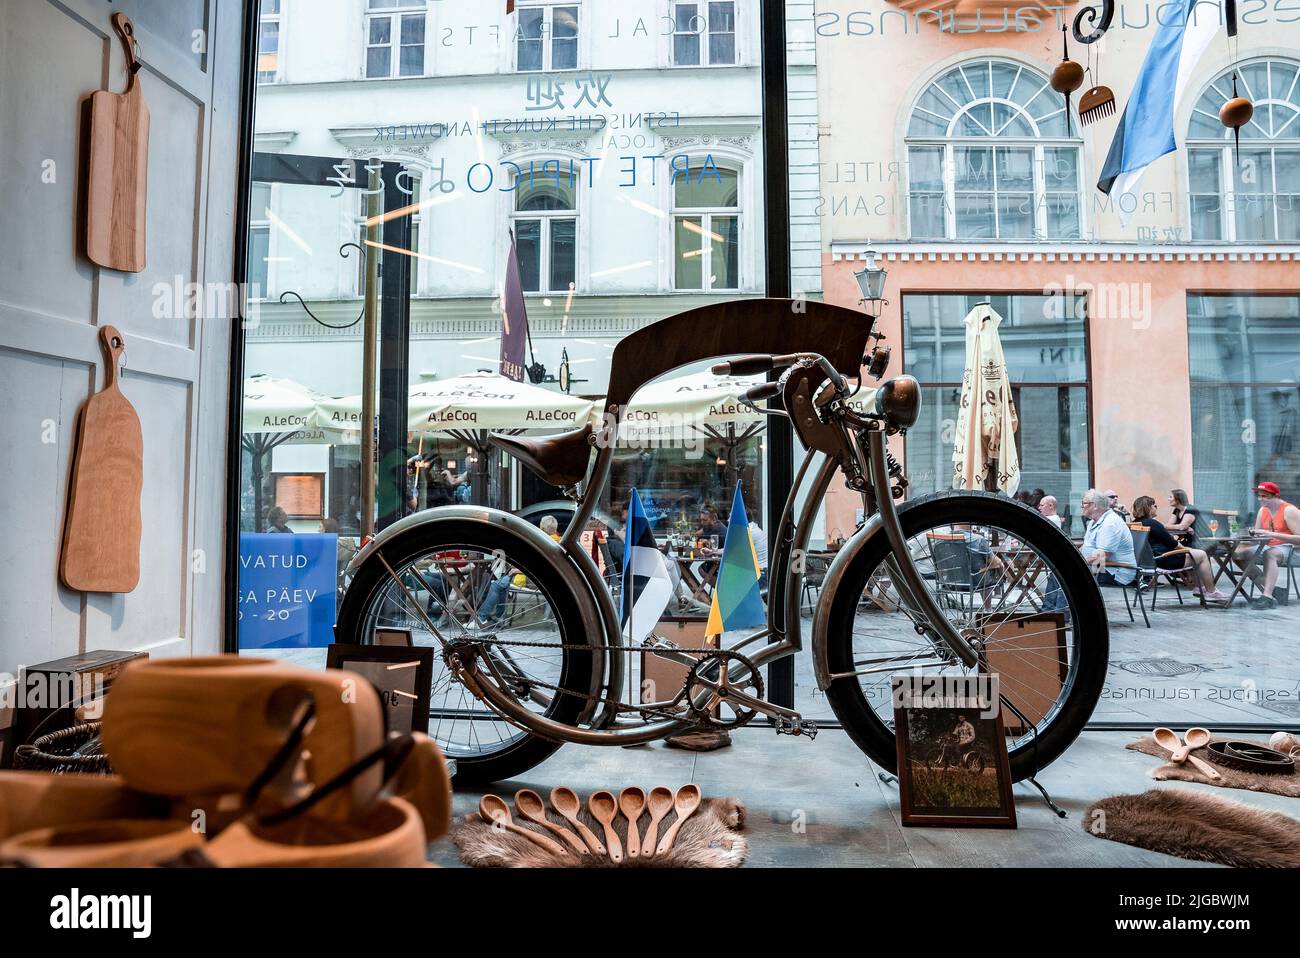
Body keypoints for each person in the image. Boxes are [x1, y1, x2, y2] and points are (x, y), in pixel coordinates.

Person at [1131, 496, 1226, 602]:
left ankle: (1200, 589)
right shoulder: (1153, 523)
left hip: (1148, 561)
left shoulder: (1135, 523)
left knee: (1195, 553)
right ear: (1148, 507)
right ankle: (1211, 592)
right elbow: (1173, 544)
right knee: (1202, 555)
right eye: (1155, 505)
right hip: (1164, 560)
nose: (1156, 507)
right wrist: (1186, 549)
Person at [1236, 481, 1300, 610]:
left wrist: (1270, 534)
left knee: (1270, 554)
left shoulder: (1289, 510)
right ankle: (1272, 589)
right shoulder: (1262, 510)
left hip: (1292, 550)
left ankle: (1267, 597)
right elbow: (1259, 536)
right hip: (1269, 546)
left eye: (1264, 496)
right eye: (1259, 495)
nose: (1260, 499)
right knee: (1238, 554)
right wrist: (1249, 535)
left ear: (1275, 496)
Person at [1079, 488, 1135, 585]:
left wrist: (1077, 563)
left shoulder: (1110, 523)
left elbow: (1102, 556)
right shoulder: (1093, 521)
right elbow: (1086, 546)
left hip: (1116, 572)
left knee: (1067, 576)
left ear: (1095, 506)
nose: (1082, 506)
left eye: (1084, 503)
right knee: (1059, 573)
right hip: (1099, 568)